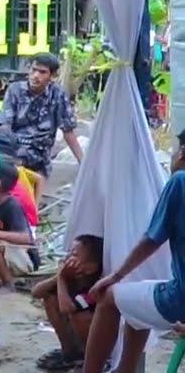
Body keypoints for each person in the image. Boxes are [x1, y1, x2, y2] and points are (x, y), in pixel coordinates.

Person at [77, 133, 185, 373]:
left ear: (182, 153)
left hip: (181, 300)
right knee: (136, 302)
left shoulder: (180, 182)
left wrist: (114, 276)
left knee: (109, 298)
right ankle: (124, 369)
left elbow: (151, 240)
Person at [0, 52, 81, 198]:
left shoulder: (57, 94)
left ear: (52, 76)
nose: (36, 75)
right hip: (15, 156)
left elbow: (68, 131)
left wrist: (83, 162)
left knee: (31, 205)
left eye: (42, 72)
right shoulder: (15, 90)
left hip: (40, 159)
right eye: (33, 70)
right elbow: (5, 126)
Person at [34, 235, 104, 371]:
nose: (67, 258)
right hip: (77, 325)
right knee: (50, 298)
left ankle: (88, 358)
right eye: (69, 253)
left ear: (90, 267)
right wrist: (58, 277)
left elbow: (67, 309)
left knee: (80, 317)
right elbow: (36, 292)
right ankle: (70, 354)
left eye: (74, 255)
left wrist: (61, 278)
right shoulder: (71, 278)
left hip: (99, 338)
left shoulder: (95, 286)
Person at [0, 158, 38, 288]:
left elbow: (27, 238)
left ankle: (8, 283)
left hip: (22, 258)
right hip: (2, 254)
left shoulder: (12, 205)